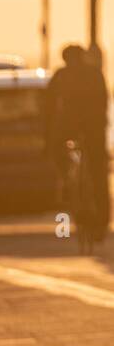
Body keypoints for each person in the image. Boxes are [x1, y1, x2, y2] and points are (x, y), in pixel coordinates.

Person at [45, 44, 110, 240]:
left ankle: (66, 182)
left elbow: (49, 107)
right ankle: (101, 220)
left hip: (73, 128)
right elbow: (104, 102)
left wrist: (47, 137)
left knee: (60, 151)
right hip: (92, 129)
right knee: (99, 173)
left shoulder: (62, 75)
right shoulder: (94, 73)